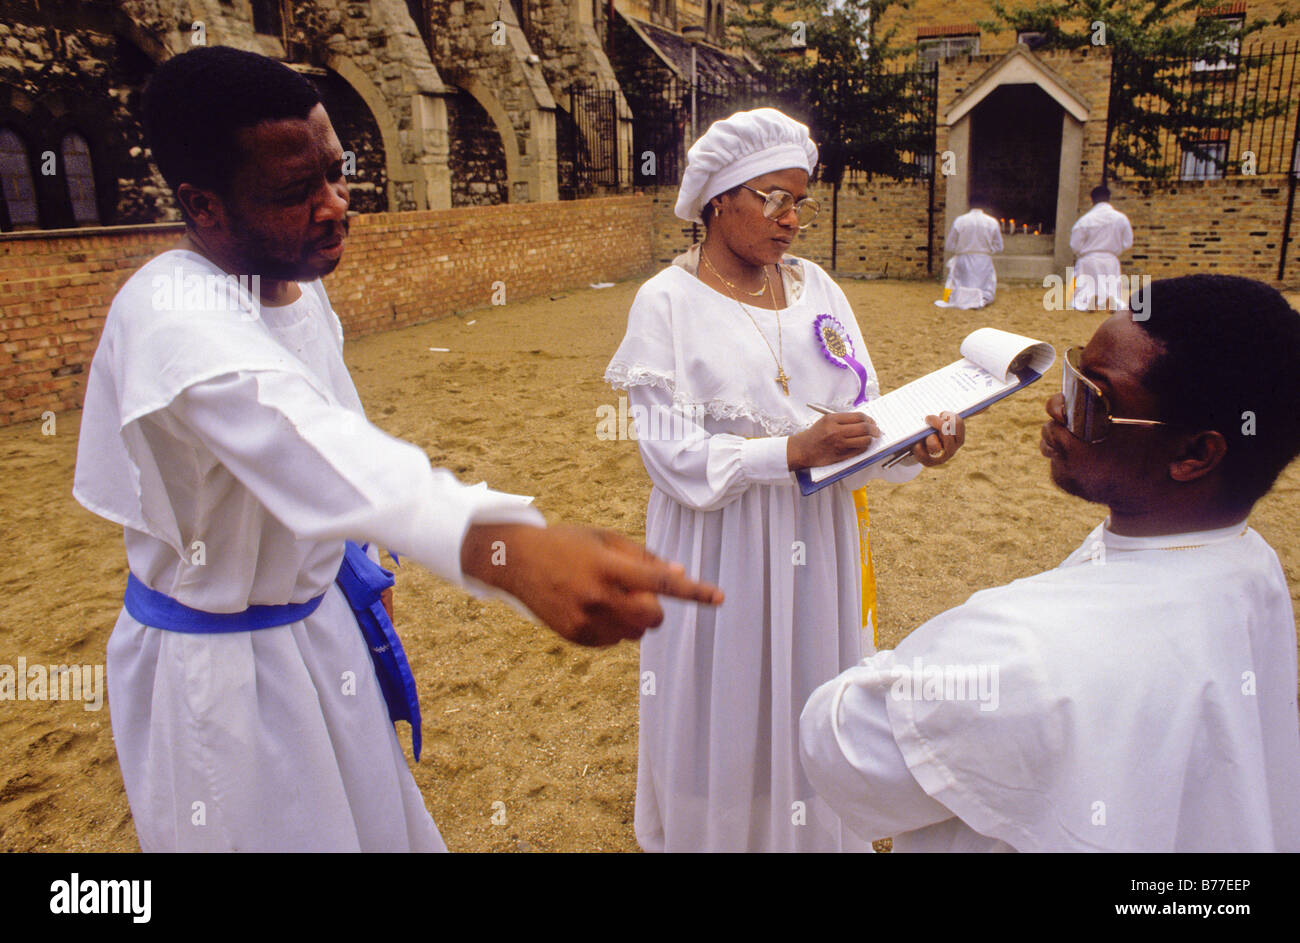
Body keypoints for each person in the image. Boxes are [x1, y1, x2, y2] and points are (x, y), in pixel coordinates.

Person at [72, 45, 722, 853]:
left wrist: (364, 566)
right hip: (225, 682)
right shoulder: (171, 319)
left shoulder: (292, 286)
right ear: (204, 206)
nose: (336, 205)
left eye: (337, 175)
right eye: (295, 193)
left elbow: (340, 438)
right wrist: (507, 549)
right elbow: (308, 443)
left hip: (322, 630)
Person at [800, 274, 1300, 852]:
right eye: (1072, 373)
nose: (1056, 403)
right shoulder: (1250, 566)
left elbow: (840, 749)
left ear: (1193, 454)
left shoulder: (1020, 645)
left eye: (1095, 398)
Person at [605, 108, 965, 852]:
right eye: (774, 198)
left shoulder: (818, 288)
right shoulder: (666, 303)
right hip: (720, 540)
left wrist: (911, 445)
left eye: (801, 199)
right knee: (726, 696)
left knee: (811, 684)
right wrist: (786, 452)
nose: (792, 218)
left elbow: (864, 411)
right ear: (718, 199)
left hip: (818, 537)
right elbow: (669, 454)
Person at [1070, 184, 1134, 311]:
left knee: (1087, 286)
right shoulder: (1120, 218)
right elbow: (1128, 242)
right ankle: (1112, 301)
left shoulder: (1085, 220)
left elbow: (1075, 244)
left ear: (1092, 200)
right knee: (1111, 285)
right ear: (1109, 198)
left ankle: (1088, 300)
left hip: (1089, 259)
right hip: (1110, 259)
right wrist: (1116, 250)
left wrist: (1081, 254)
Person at [936, 192, 1003, 309]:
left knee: (962, 283)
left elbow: (949, 245)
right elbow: (999, 246)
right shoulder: (992, 222)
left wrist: (961, 249)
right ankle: (982, 299)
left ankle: (962, 299)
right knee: (984, 286)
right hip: (983, 261)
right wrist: (987, 250)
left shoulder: (960, 221)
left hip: (963, 259)